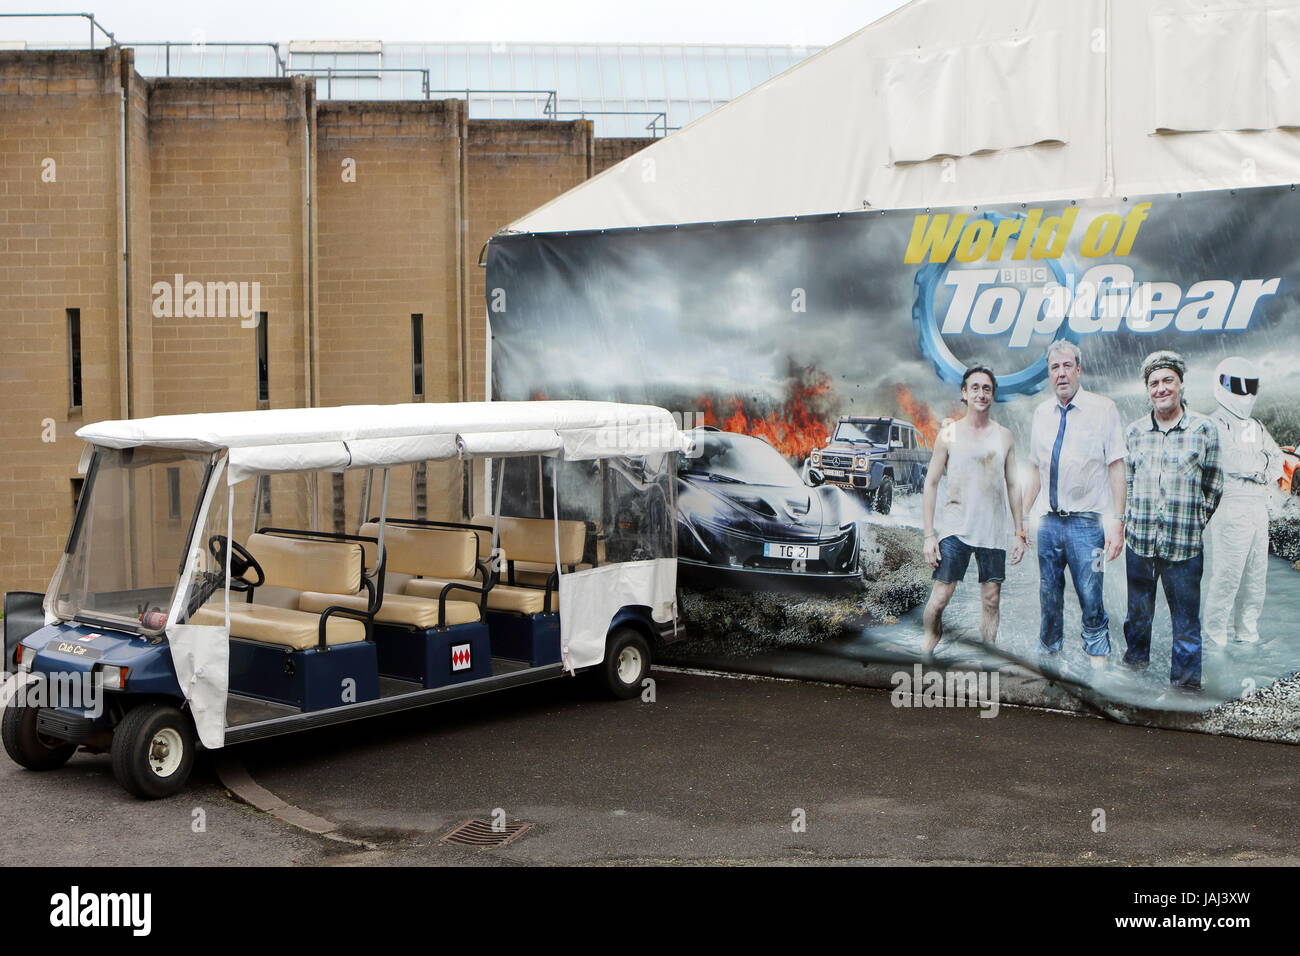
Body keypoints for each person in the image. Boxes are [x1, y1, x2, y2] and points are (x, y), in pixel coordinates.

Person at [1122, 350, 1223, 691]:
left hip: (1184, 547)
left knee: (1186, 624)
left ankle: (1184, 693)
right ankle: (1134, 679)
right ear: (1147, 389)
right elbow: (1130, 482)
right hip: (1140, 543)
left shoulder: (1204, 429)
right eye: (1154, 383)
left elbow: (1213, 484)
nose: (1161, 388)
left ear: (1180, 384)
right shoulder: (1135, 432)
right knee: (1137, 618)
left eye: (1168, 381)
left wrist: (1193, 522)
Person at [1023, 340, 1126, 670]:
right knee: (1048, 599)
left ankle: (1099, 673)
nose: (1061, 373)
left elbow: (1116, 467)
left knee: (1091, 597)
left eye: (1067, 366)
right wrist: (1022, 520)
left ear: (1078, 369)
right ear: (1049, 374)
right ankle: (1049, 666)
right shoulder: (1040, 414)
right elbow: (1036, 471)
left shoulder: (1104, 409)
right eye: (1054, 367)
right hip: (1049, 525)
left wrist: (1117, 522)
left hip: (1088, 525)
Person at [921, 366, 1025, 654]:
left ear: (993, 395)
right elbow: (930, 484)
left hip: (992, 530)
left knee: (991, 599)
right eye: (975, 387)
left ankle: (987, 656)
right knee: (941, 596)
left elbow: (1014, 484)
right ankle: (927, 648)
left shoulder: (1004, 436)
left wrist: (1019, 532)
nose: (981, 393)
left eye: (987, 388)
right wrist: (929, 536)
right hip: (955, 527)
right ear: (964, 393)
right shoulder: (949, 434)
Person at [1202, 356, 1281, 646]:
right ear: (1222, 384)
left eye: (1249, 385)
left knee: (1255, 580)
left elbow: (1278, 461)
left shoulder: (1256, 425)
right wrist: (1261, 463)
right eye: (1238, 385)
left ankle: (1247, 636)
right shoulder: (1214, 423)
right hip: (1230, 506)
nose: (1245, 392)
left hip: (1258, 508)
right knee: (1227, 578)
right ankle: (1215, 640)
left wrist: (1256, 466)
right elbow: (1229, 459)